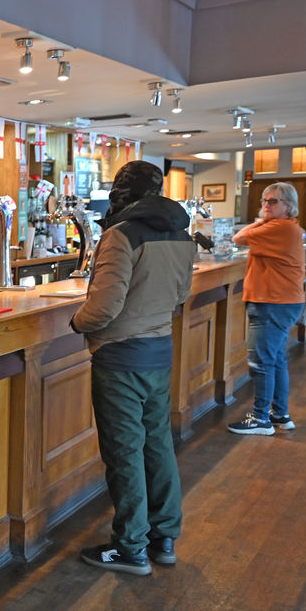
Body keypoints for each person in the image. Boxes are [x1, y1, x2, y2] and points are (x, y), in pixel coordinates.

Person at [70, 161, 195, 575]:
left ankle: (130, 548)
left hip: (120, 357)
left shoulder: (121, 234)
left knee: (125, 452)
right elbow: (180, 295)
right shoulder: (181, 233)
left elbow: (104, 308)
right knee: (157, 445)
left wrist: (77, 322)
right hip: (160, 350)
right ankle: (163, 537)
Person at [228, 182, 306, 435]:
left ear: (289, 206)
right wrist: (264, 218)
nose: (265, 206)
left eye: (272, 202)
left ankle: (260, 419)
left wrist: (261, 220)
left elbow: (237, 238)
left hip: (273, 303)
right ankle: (280, 414)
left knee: (261, 362)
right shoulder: (288, 228)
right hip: (283, 302)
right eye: (263, 201)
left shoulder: (277, 228)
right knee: (275, 360)